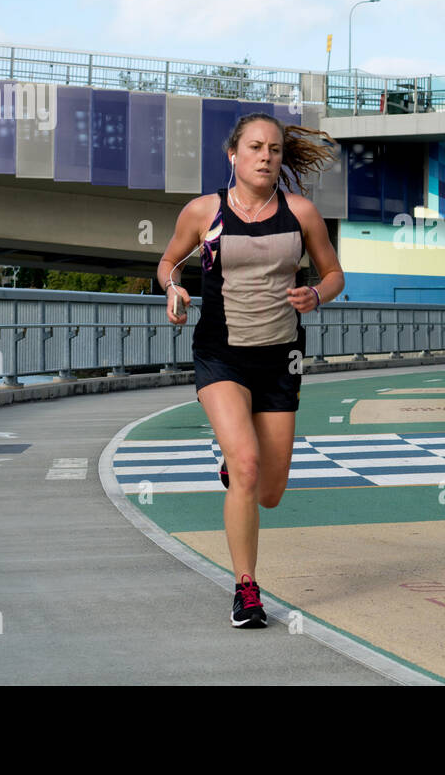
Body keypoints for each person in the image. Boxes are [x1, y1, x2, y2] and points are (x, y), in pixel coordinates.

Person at [158, 113, 343, 627]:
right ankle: (246, 589)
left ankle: (237, 467)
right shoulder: (204, 212)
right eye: (256, 147)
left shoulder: (301, 214)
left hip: (281, 358)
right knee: (245, 466)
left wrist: (316, 294)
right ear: (233, 154)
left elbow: (333, 273)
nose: (266, 156)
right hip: (221, 354)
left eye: (276, 149)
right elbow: (168, 263)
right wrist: (174, 290)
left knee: (271, 490)